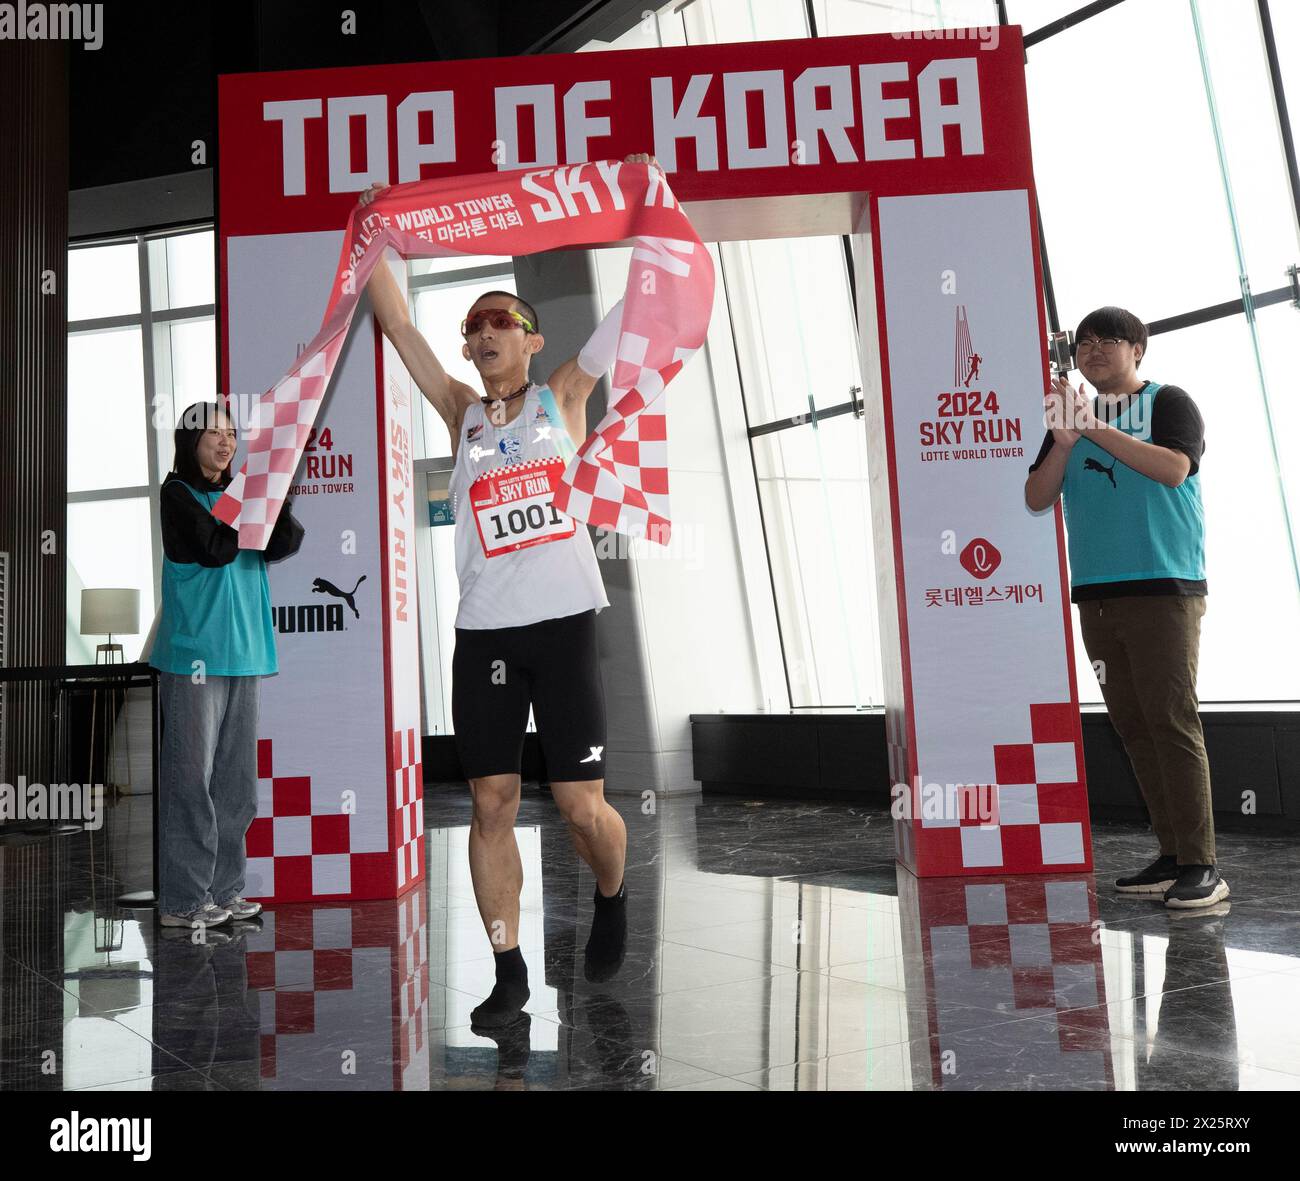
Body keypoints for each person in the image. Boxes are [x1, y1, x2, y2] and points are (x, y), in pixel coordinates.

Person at [359, 158, 653, 1028]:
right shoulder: (459, 413)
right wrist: (371, 231)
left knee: (580, 807)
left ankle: (613, 893)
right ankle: (509, 968)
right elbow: (399, 323)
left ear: (530, 340)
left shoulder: (563, 396)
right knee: (490, 803)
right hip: (485, 635)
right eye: (474, 325)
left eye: (502, 320)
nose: (485, 331)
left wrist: (653, 219)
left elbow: (631, 315)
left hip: (562, 629)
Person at [1025, 306, 1226, 909]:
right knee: (1134, 727)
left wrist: (1090, 427)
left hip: (1164, 587)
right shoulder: (1070, 419)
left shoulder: (1169, 401)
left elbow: (1174, 468)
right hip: (1097, 593)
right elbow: (1037, 494)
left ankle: (1203, 865)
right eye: (1084, 342)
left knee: (1172, 721)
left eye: (1108, 340)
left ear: (1138, 349)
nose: (1093, 350)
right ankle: (1172, 855)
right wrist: (1066, 440)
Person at [151, 400, 305, 928]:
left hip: (245, 654)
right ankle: (183, 901)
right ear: (189, 441)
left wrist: (274, 495)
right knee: (190, 781)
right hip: (194, 657)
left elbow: (283, 542)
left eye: (231, 434)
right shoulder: (177, 494)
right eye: (213, 433)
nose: (225, 442)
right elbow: (214, 547)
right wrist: (253, 499)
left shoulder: (240, 494)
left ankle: (223, 891)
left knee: (237, 786)